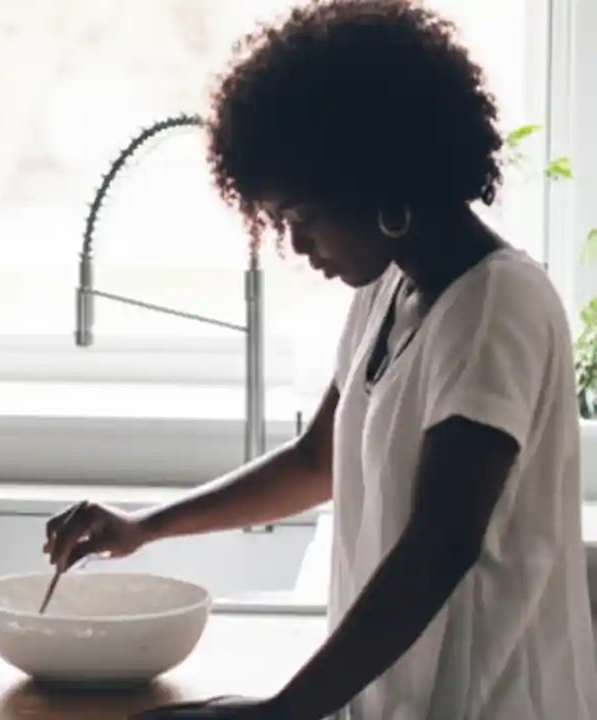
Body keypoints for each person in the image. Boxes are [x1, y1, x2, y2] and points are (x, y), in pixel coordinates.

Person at [44, 2, 597, 718]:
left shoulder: (494, 307)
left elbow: (440, 548)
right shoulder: (393, 287)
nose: (299, 248)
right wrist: (146, 526)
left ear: (378, 185)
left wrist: (282, 713)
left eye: (303, 218)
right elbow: (317, 463)